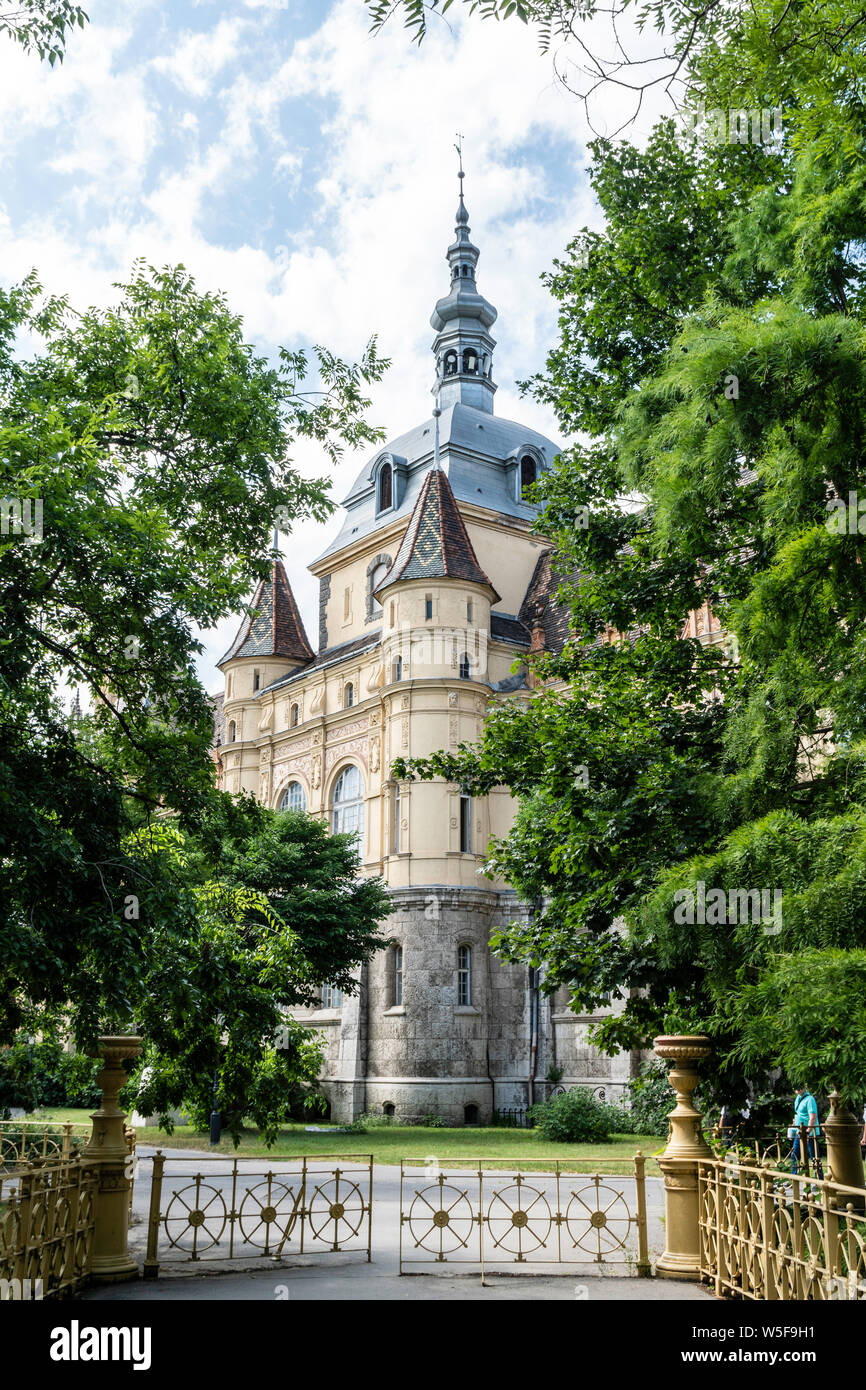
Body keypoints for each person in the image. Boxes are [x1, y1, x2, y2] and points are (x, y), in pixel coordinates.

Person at [789, 1083, 823, 1178]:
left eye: (800, 1087)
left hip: (810, 1133)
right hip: (799, 1132)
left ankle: (820, 1181)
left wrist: (808, 1132)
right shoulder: (797, 1098)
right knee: (794, 1155)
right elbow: (799, 1113)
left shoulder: (810, 1099)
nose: (797, 1090)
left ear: (805, 1087)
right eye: (796, 1088)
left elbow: (812, 1117)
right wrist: (794, 1122)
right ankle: (794, 1178)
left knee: (814, 1158)